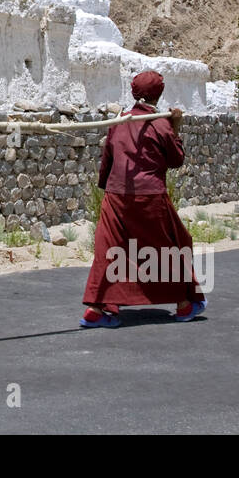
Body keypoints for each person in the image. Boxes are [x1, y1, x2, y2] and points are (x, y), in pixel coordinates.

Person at [80, 70, 207, 328]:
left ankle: (97, 308)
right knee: (167, 247)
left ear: (134, 92)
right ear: (159, 94)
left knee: (110, 250)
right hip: (150, 197)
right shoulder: (161, 124)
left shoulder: (120, 120)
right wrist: (176, 126)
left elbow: (108, 159)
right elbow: (176, 159)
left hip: (116, 196)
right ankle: (183, 305)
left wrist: (108, 189)